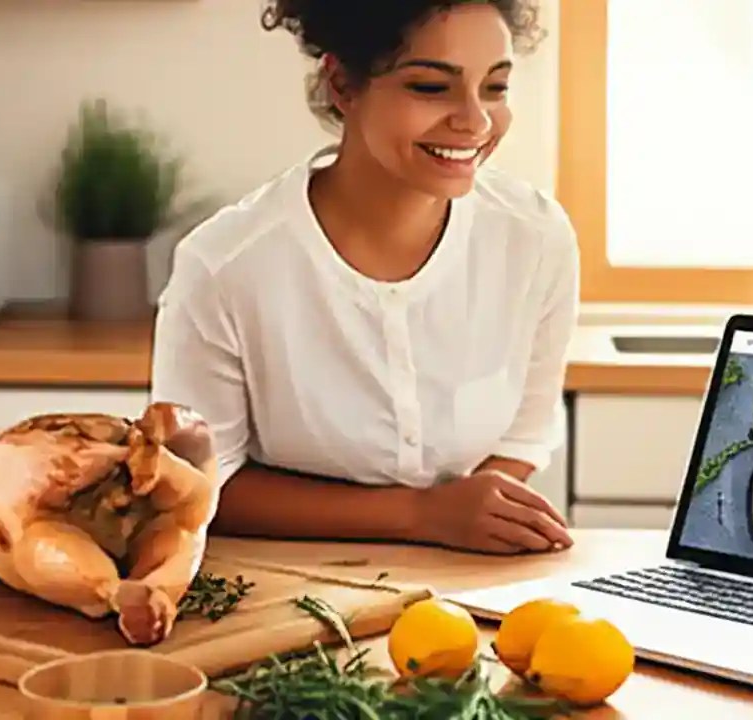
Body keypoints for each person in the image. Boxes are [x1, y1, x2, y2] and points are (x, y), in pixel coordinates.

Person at [149, 0, 576, 556]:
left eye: (495, 88)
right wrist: (421, 515)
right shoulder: (225, 265)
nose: (475, 121)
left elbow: (524, 436)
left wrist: (466, 521)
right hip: (283, 586)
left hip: (471, 576)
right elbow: (201, 485)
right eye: (430, 87)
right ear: (343, 84)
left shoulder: (535, 239)